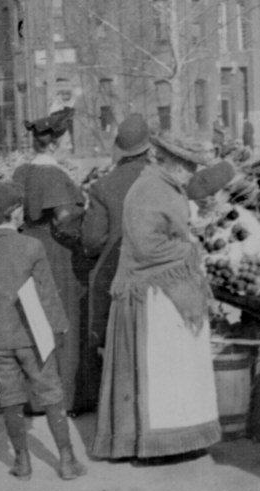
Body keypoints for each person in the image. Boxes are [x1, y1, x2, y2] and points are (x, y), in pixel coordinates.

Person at [92, 133, 223, 462]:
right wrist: (190, 248)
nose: (192, 173)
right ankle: (162, 443)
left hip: (162, 288)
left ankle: (182, 437)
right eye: (189, 166)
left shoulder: (162, 185)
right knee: (163, 371)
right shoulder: (151, 188)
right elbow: (146, 245)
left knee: (174, 369)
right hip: (153, 293)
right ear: (175, 164)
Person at [0, 181, 88, 481]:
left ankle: (22, 461)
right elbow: (46, 293)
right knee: (51, 392)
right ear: (16, 212)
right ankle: (67, 459)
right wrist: (58, 328)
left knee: (9, 397)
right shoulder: (32, 247)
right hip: (34, 337)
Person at [12, 108, 95, 412]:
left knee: (34, 319)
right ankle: (66, 395)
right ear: (57, 141)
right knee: (64, 319)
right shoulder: (54, 176)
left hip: (27, 248)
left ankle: (31, 394)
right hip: (56, 254)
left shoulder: (23, 172)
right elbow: (65, 221)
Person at [80, 114, 154, 400]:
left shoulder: (104, 186)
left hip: (117, 275)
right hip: (159, 276)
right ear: (148, 147)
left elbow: (91, 241)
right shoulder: (162, 179)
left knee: (120, 348)